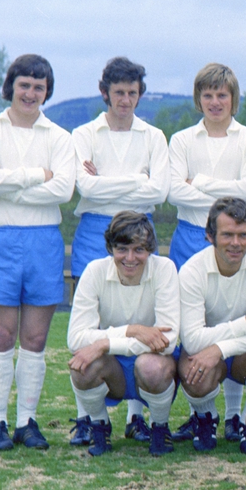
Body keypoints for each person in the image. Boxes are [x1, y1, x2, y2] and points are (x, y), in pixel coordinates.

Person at [0, 54, 75, 452]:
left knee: (34, 337)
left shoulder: (59, 138)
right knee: (1, 335)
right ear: (11, 85)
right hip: (0, 240)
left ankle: (26, 422)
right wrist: (35, 175)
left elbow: (63, 190)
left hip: (44, 241)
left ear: (47, 91)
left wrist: (6, 180)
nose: (31, 93)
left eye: (39, 86)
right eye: (24, 84)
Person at [69, 57, 170, 447]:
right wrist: (137, 181)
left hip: (141, 228)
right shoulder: (83, 134)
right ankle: (87, 418)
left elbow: (158, 192)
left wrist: (106, 181)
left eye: (132, 93)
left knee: (143, 314)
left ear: (139, 94)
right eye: (118, 93)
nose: (125, 100)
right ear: (104, 92)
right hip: (94, 228)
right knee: (90, 318)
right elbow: (86, 189)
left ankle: (136, 415)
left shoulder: (154, 136)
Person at [167, 63, 246, 444]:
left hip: (235, 236)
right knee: (194, 326)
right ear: (198, 99)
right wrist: (224, 189)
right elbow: (174, 191)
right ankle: (200, 413)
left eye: (222, 94)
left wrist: (199, 183)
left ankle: (235, 417)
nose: (215, 101)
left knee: (236, 316)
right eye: (208, 95)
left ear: (233, 98)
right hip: (189, 235)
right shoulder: (182, 141)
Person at [176, 197, 246, 454]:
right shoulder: (192, 270)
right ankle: (206, 418)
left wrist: (219, 350)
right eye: (227, 235)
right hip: (206, 353)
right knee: (192, 364)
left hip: (239, 352)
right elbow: (191, 340)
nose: (236, 243)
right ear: (210, 236)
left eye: (243, 235)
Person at [66, 212, 180, 457]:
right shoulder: (94, 271)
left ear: (150, 250)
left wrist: (105, 343)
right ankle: (99, 425)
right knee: (81, 366)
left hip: (150, 364)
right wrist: (133, 331)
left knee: (152, 366)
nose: (130, 258)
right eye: (122, 249)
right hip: (113, 368)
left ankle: (160, 428)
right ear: (110, 248)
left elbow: (167, 342)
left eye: (139, 249)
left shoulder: (165, 269)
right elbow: (75, 338)